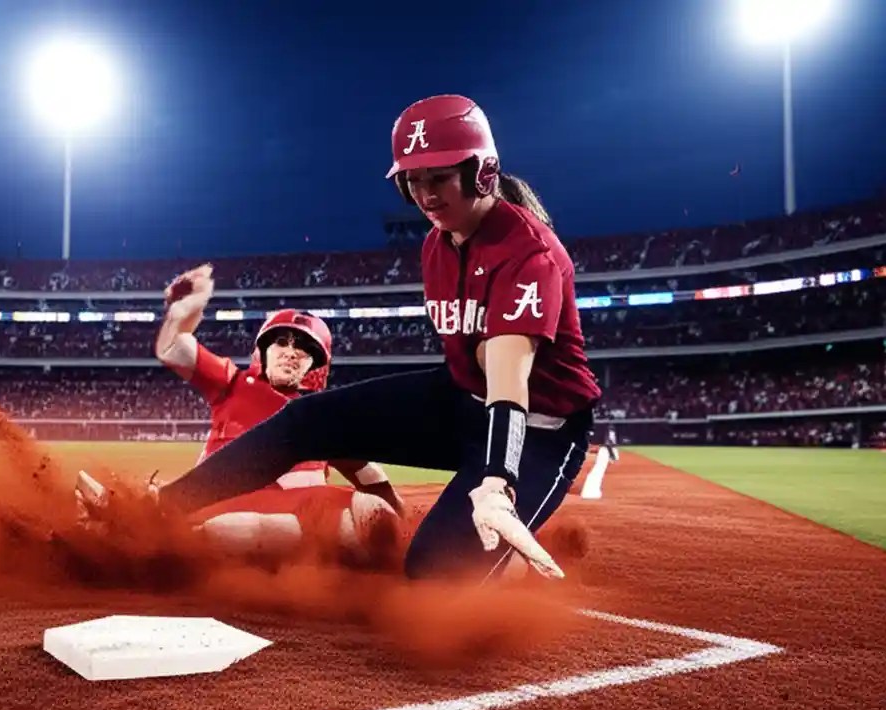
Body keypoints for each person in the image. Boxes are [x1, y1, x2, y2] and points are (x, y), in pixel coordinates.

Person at [145, 94, 602, 582]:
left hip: (536, 432)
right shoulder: (436, 244)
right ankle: (158, 511)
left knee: (433, 576)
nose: (426, 195)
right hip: (463, 400)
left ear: (481, 171)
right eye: (414, 180)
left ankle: (511, 551)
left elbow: (508, 379)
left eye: (440, 177)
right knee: (306, 419)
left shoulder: (530, 256)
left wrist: (496, 483)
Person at [78, 268, 405, 566]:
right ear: (262, 351)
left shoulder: (325, 416)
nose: (290, 351)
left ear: (315, 365)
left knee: (372, 515)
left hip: (302, 508)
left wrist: (397, 515)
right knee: (235, 525)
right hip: (223, 499)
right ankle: (147, 535)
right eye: (281, 342)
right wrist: (185, 310)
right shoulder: (234, 383)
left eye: (303, 347)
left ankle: (159, 541)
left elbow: (369, 475)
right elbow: (173, 349)